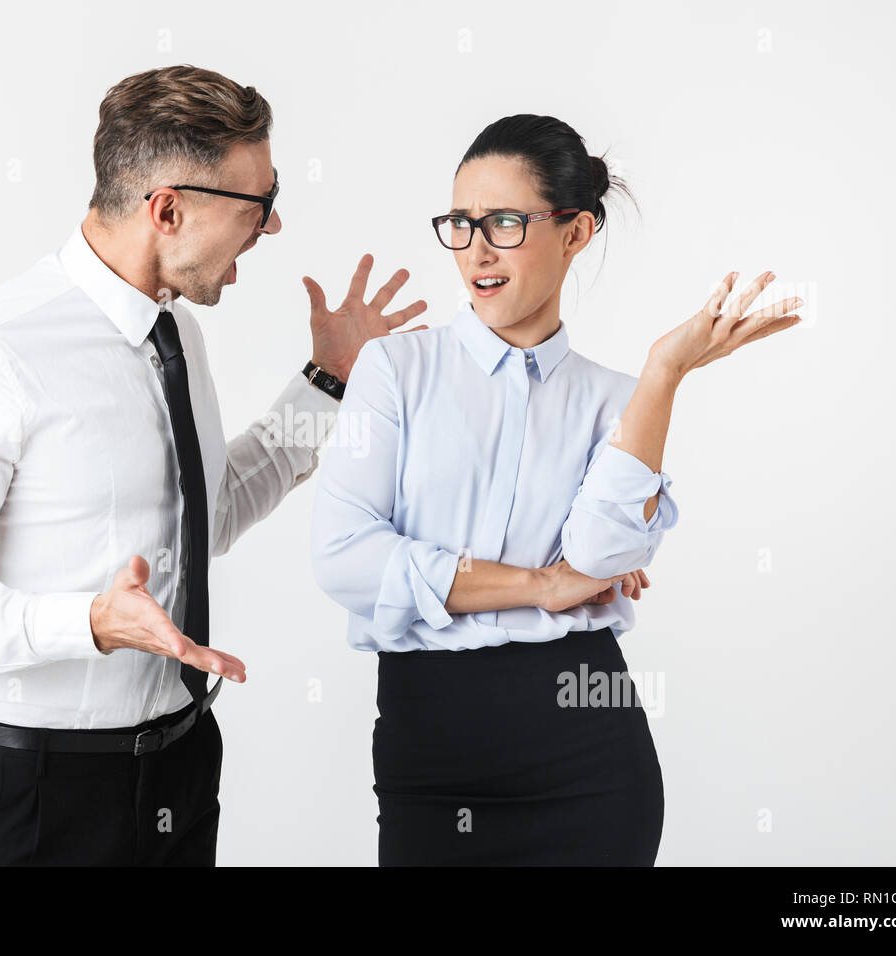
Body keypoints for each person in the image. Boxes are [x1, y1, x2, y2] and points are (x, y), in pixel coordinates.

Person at [0, 64, 426, 866]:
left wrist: (329, 379)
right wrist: (90, 623)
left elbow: (210, 511)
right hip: (30, 799)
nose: (272, 228)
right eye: (259, 204)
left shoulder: (174, 334)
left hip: (178, 769)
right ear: (167, 209)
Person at [309, 113, 803, 866]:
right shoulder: (394, 370)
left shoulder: (618, 400)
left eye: (504, 222)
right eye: (461, 224)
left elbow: (601, 554)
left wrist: (664, 371)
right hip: (430, 749)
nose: (476, 250)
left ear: (575, 233)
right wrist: (539, 583)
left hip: (586, 749)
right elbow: (345, 559)